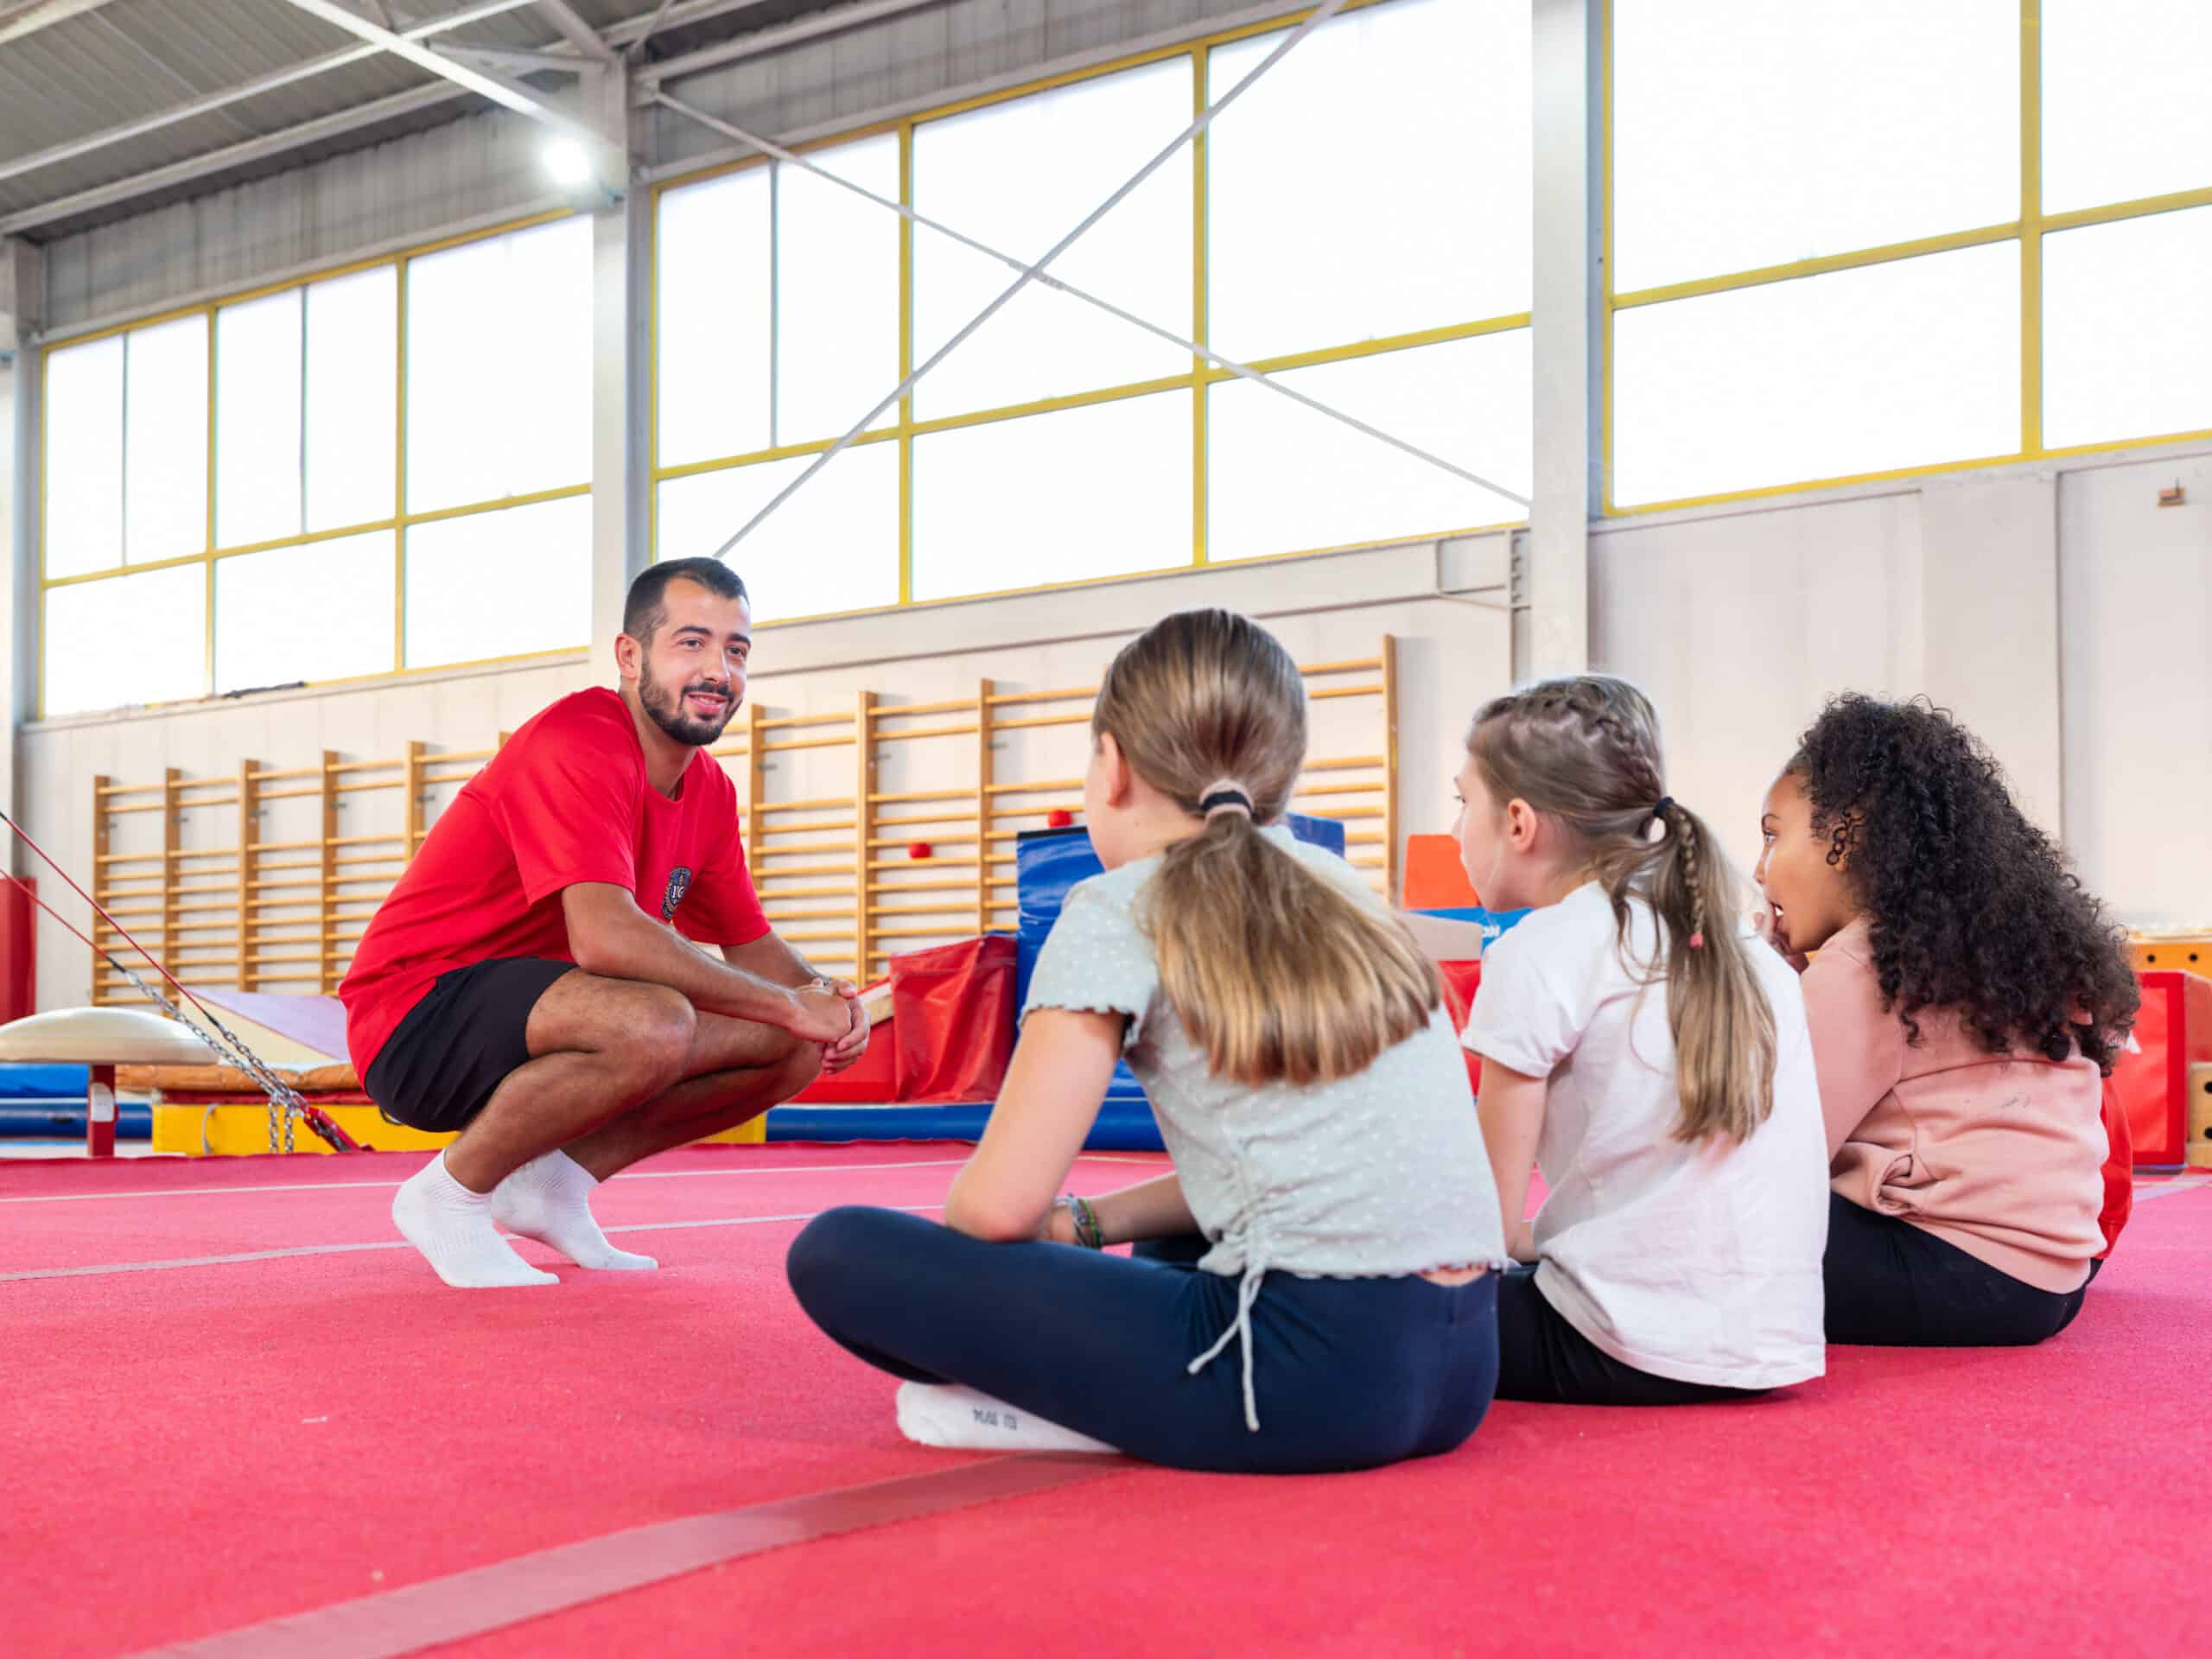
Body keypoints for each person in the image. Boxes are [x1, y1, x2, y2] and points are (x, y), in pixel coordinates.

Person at [785, 609, 1504, 1474]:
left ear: (1113, 764)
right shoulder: (1346, 895)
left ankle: (1084, 1411)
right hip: (1459, 1370)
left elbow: (991, 1211)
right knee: (1173, 1245)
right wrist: (1089, 1224)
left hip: (1303, 1386)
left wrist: (1036, 1235)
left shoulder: (1119, 905)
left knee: (840, 1251)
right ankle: (1152, 1385)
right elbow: (1281, 1171)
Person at [341, 559, 865, 1289]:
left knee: (797, 1044)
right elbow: (607, 937)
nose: (718, 669)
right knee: (654, 1019)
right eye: (691, 644)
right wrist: (788, 1002)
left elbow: (751, 942)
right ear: (630, 656)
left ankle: (551, 1187)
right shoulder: (579, 740)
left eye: (736, 650)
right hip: (417, 1017)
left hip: (558, 1013)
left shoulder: (707, 790)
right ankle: (447, 1196)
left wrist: (828, 1003)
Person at [1456, 677, 1829, 1404]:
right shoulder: (1739, 948)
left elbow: (1483, 1230)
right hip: (1768, 1342)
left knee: (1340, 1283)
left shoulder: (1542, 950)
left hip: (1616, 1345)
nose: (1454, 829)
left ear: (1520, 823)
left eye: (1463, 803)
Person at [1755, 694, 2139, 1345]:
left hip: (1952, 1272)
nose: (1760, 868)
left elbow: (1771, 1148)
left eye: (1772, 834)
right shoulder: (1987, 953)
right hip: (2055, 1280)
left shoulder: (1869, 961)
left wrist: (1761, 988)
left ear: (1847, 833)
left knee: (1696, 1225)